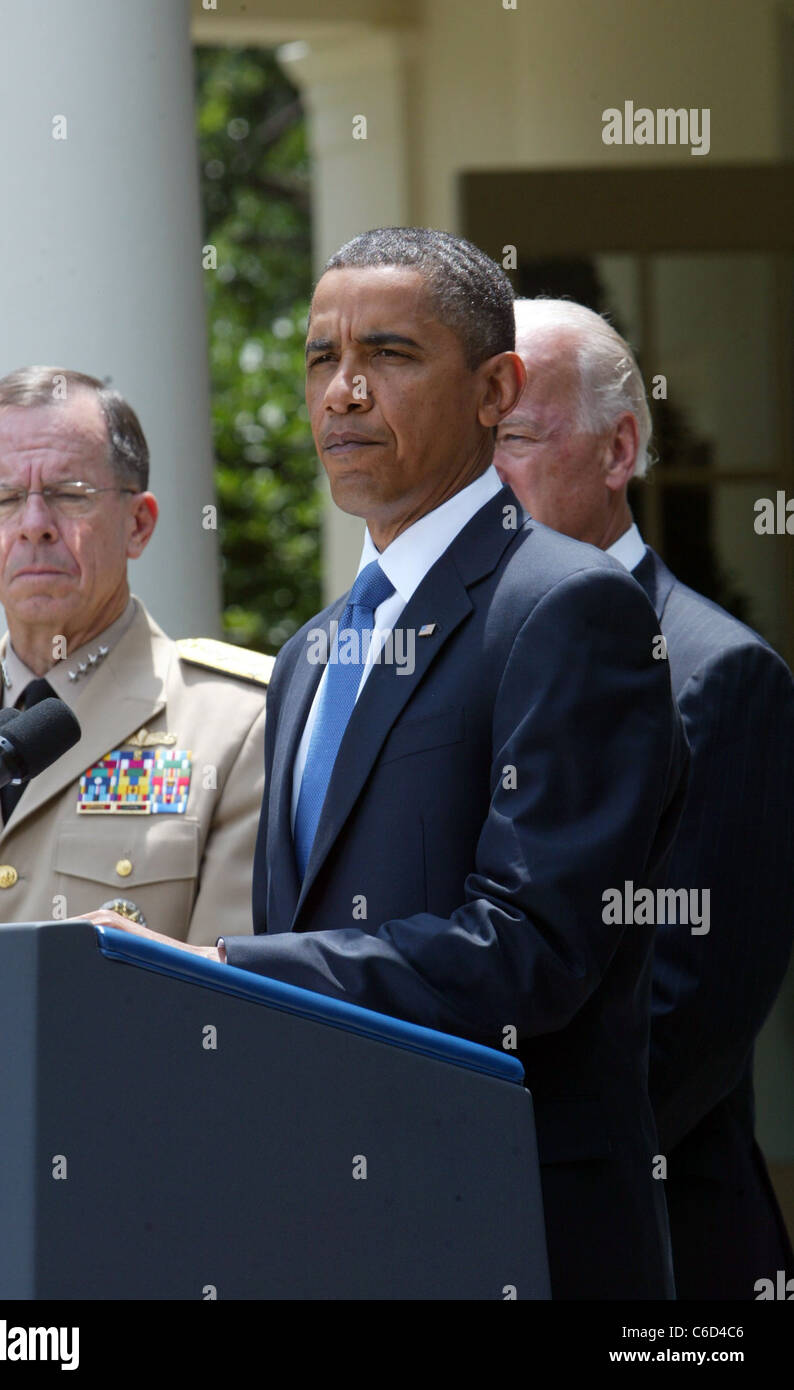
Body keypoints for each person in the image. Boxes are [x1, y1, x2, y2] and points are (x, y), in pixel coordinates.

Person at [89, 228, 689, 1300]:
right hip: (332, 1233)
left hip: (516, 1235)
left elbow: (530, 949)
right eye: (321, 358)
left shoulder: (567, 608)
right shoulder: (311, 652)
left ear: (494, 387)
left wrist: (228, 970)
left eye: (390, 356)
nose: (344, 392)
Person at [494, 296, 794, 1300]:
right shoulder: (464, 663)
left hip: (652, 1253)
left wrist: (479, 1169)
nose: (477, 480)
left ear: (616, 449)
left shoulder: (717, 674)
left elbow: (683, 1020)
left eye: (512, 441)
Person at [0, 367, 270, 945]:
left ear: (138, 524)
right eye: (6, 499)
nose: (34, 525)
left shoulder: (242, 723)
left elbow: (230, 1003)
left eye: (68, 495)